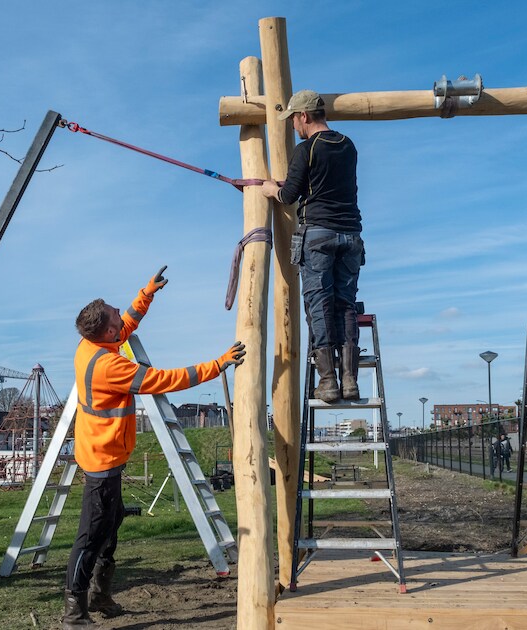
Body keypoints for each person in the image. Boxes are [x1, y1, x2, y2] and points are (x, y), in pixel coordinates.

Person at [62, 266, 247, 629]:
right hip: (101, 463)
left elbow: (125, 324)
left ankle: (100, 595)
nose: (121, 313)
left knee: (109, 528)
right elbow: (166, 379)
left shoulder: (93, 344)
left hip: (104, 457)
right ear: (109, 333)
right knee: (91, 536)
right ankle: (74, 612)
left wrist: (147, 293)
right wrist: (219, 365)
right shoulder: (109, 366)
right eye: (116, 313)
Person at [261, 89, 363, 403]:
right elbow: (323, 184)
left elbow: (290, 196)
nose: (293, 125)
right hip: (350, 234)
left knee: (318, 305)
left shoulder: (306, 149)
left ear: (304, 116)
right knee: (345, 304)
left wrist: (269, 189)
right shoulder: (347, 145)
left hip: (318, 235)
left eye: (293, 119)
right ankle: (350, 380)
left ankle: (328, 381)